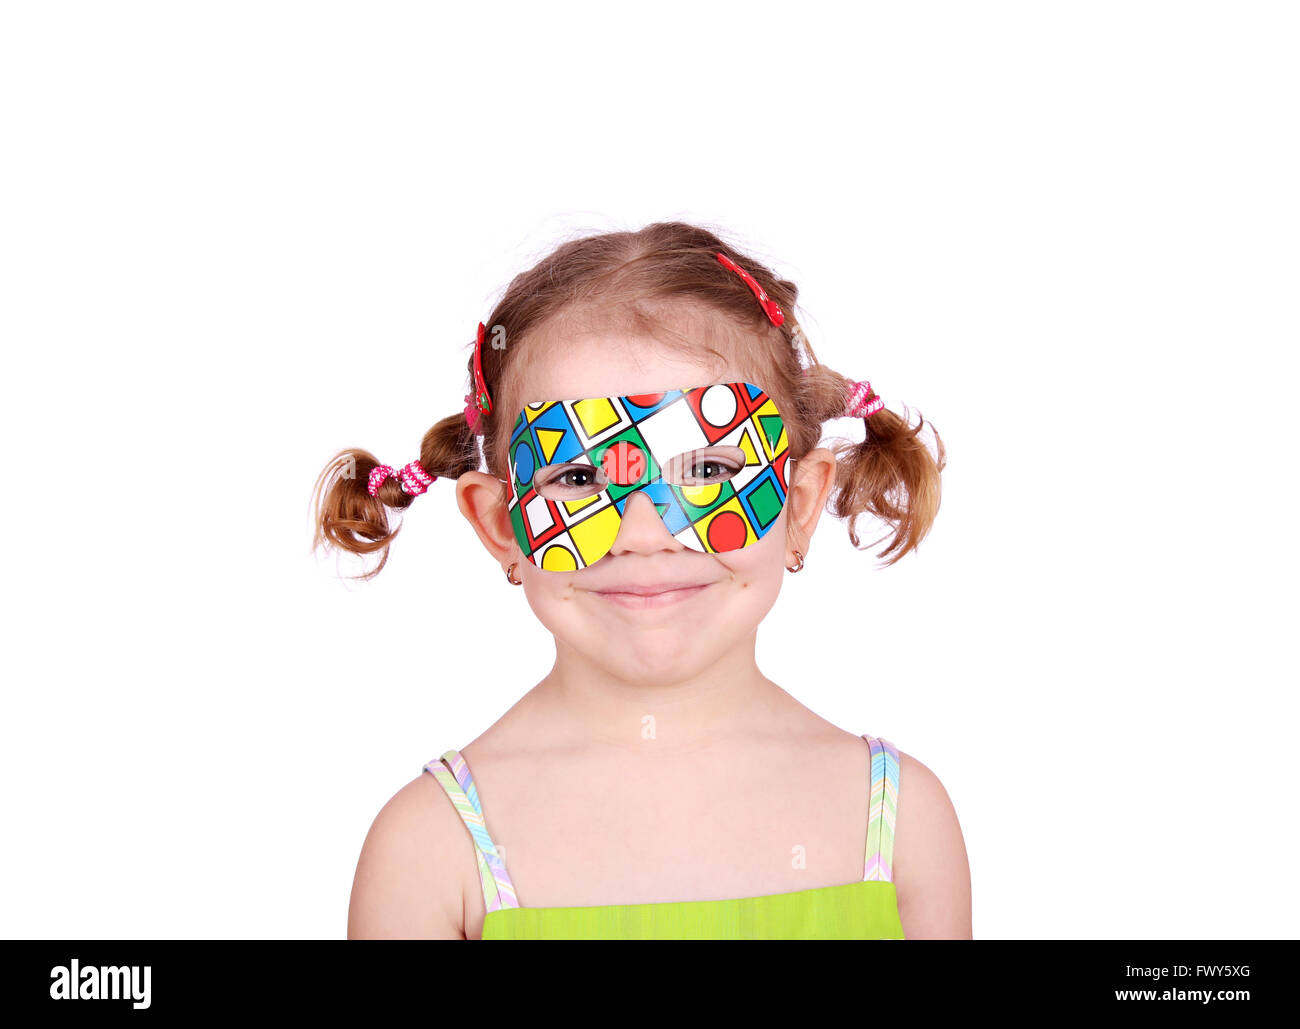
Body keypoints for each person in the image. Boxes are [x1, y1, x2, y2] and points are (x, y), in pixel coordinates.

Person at [312, 221, 971, 939]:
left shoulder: (903, 825)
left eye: (710, 471)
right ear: (501, 522)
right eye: (578, 476)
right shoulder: (429, 852)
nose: (645, 532)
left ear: (801, 502)